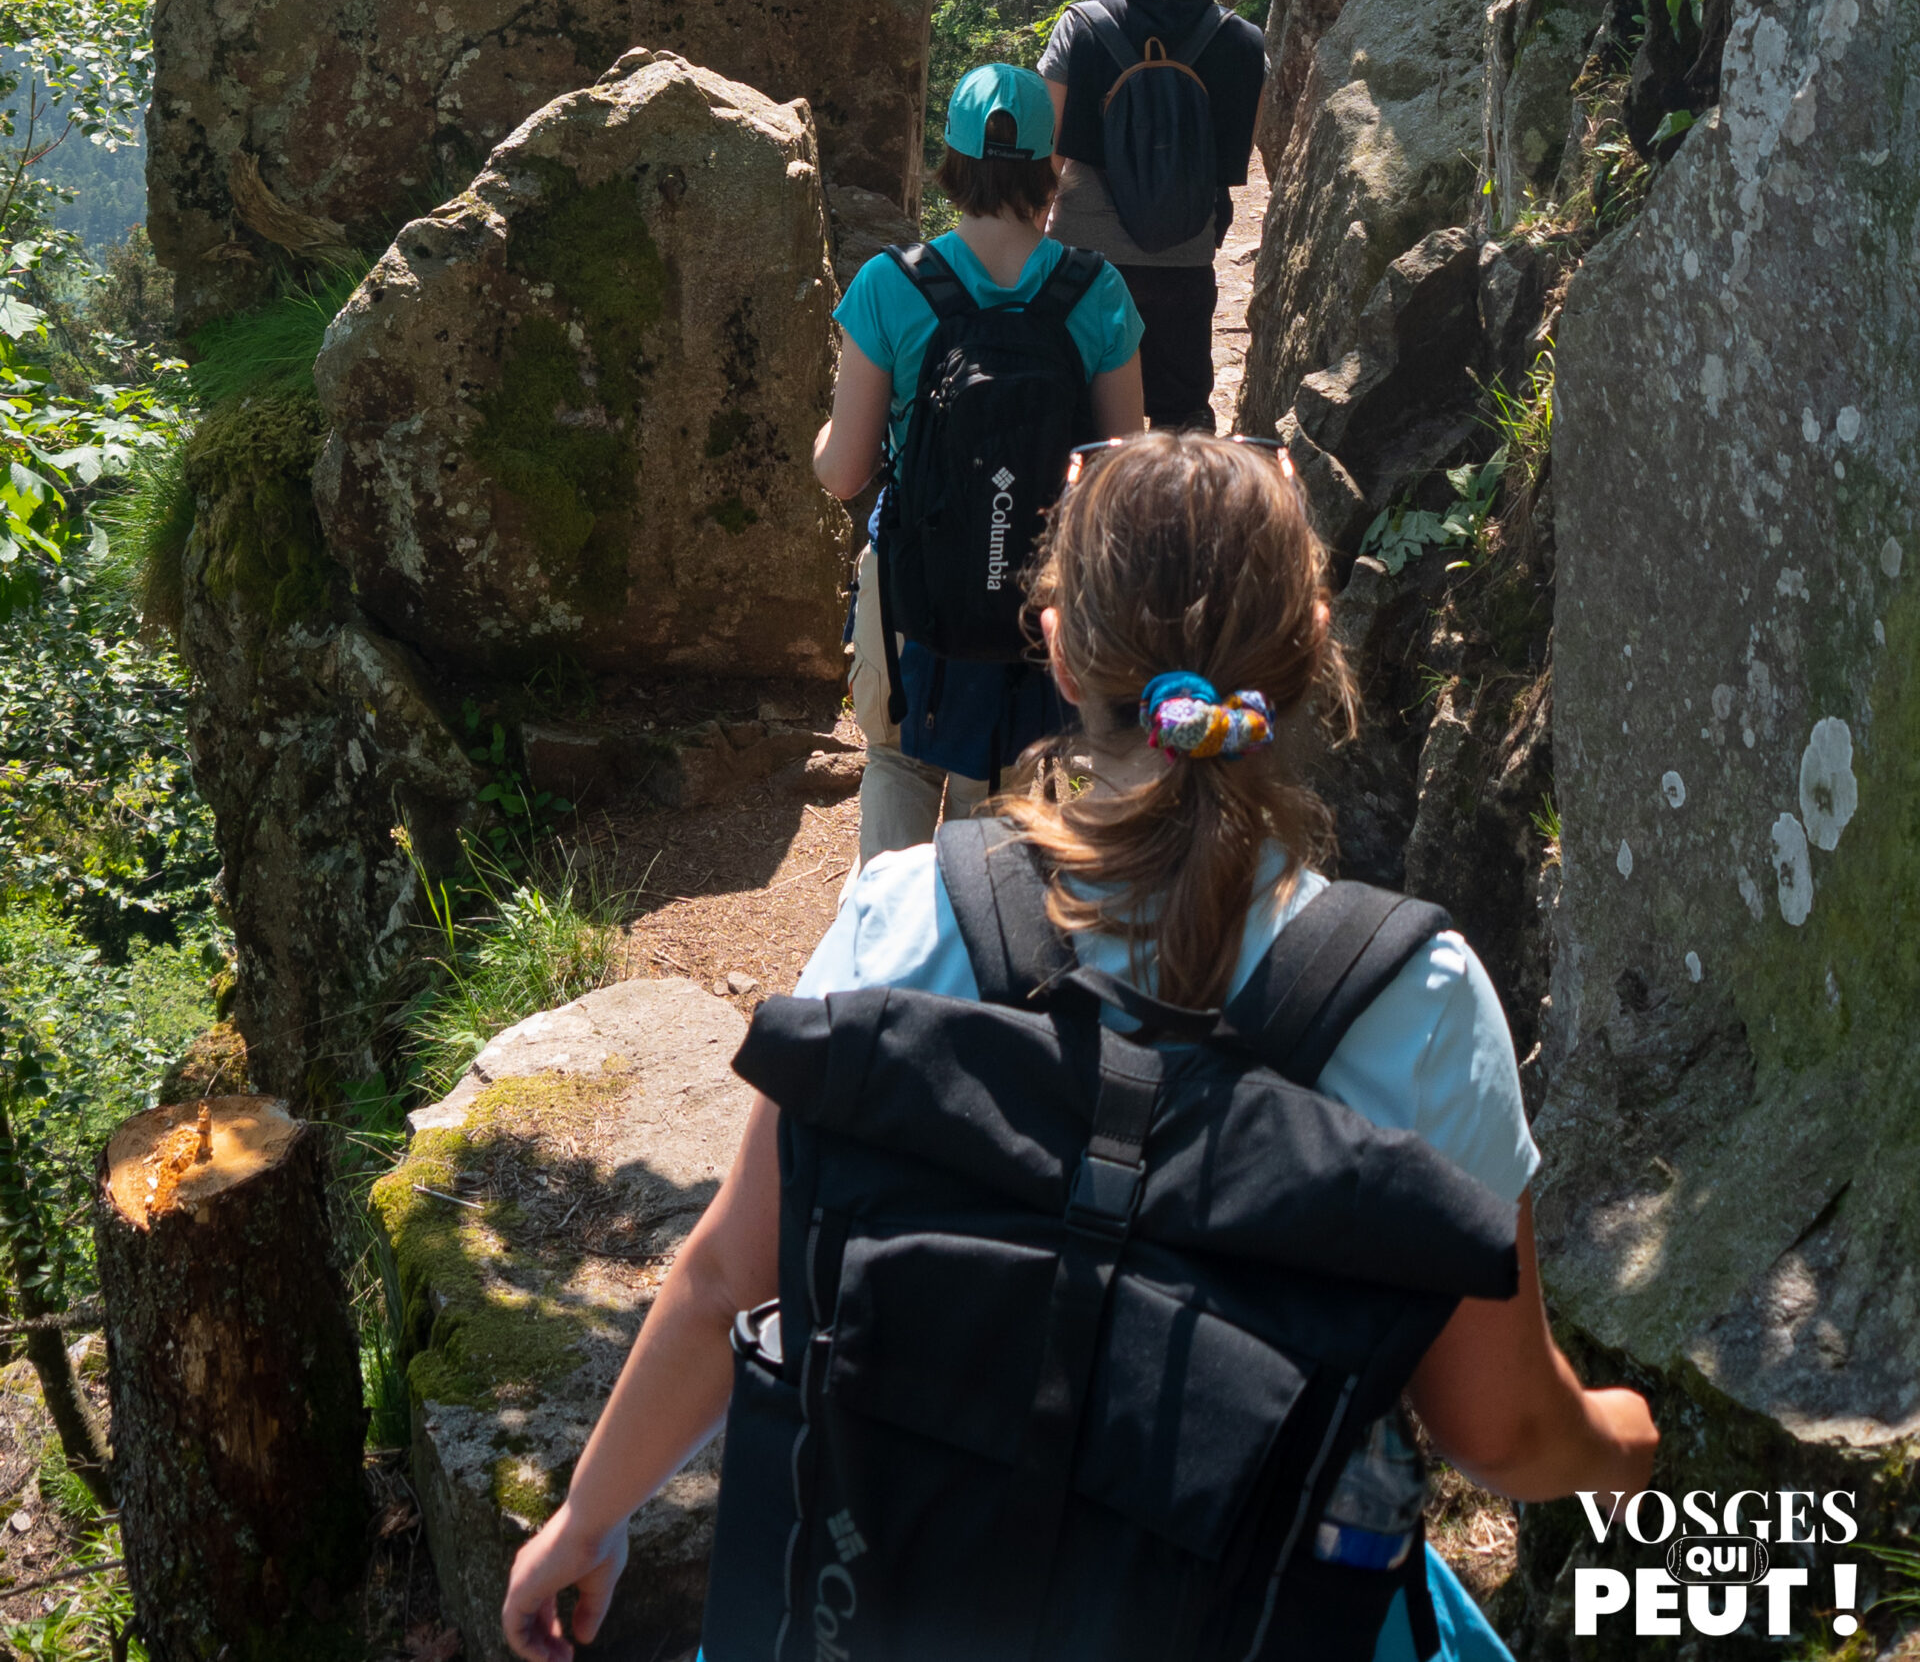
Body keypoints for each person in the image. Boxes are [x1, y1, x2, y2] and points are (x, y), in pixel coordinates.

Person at [500, 435, 1657, 1662]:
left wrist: (589, 1516)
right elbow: (1502, 1435)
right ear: (1316, 644)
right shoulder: (1417, 1003)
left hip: (910, 1580)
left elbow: (735, 1273)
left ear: (1052, 642)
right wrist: (1625, 1440)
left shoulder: (908, 915)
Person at [813, 58, 1144, 866]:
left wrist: (821, 438)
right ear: (1050, 165)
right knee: (1000, 796)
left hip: (911, 591)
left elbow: (844, 473)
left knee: (896, 761)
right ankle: (980, 970)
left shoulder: (891, 286)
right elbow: (1121, 476)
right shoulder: (1093, 292)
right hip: (1034, 604)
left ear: (952, 162)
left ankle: (878, 964)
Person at [1040, 0, 1268, 429]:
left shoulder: (1082, 25)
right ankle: (1182, 513)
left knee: (1076, 414)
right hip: (1183, 256)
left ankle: (1082, 515)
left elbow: (1044, 154)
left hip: (1083, 256)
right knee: (1181, 416)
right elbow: (1233, 153)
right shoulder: (1243, 41)